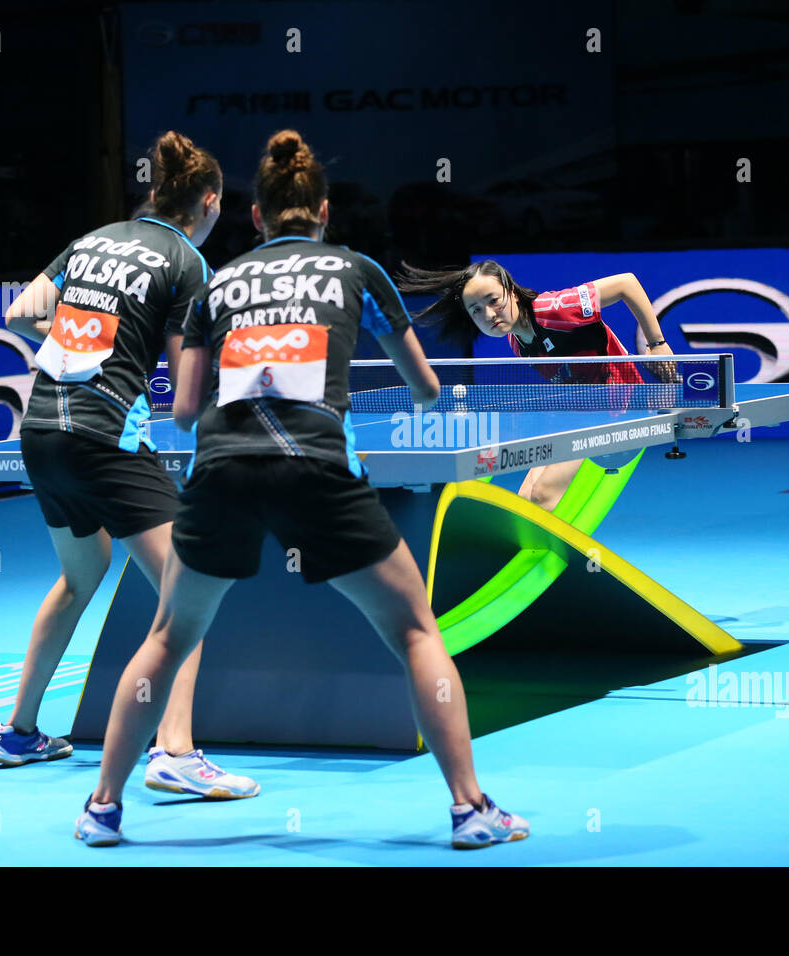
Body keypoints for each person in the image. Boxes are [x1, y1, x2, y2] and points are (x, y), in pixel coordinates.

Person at [74, 129, 530, 850]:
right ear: (323, 212)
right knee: (416, 631)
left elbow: (187, 411)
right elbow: (426, 385)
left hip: (219, 474)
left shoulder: (215, 284)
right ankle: (471, 810)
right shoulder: (356, 271)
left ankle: (101, 808)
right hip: (319, 470)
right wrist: (414, 409)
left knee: (165, 637)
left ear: (255, 218)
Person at [0, 131, 261, 799]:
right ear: (207, 202)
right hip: (102, 437)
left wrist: (78, 342)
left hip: (41, 433)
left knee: (80, 574)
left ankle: (19, 731)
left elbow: (21, 311)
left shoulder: (93, 240)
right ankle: (173, 750)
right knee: (188, 584)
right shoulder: (185, 261)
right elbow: (186, 382)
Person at [396, 260, 676, 509]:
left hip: (622, 412)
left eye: (494, 300)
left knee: (543, 494)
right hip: (584, 416)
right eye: (477, 310)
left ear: (513, 293)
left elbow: (627, 282)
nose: (490, 315)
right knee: (526, 495)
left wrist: (657, 343)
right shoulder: (516, 342)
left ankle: (550, 555)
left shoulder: (554, 310)